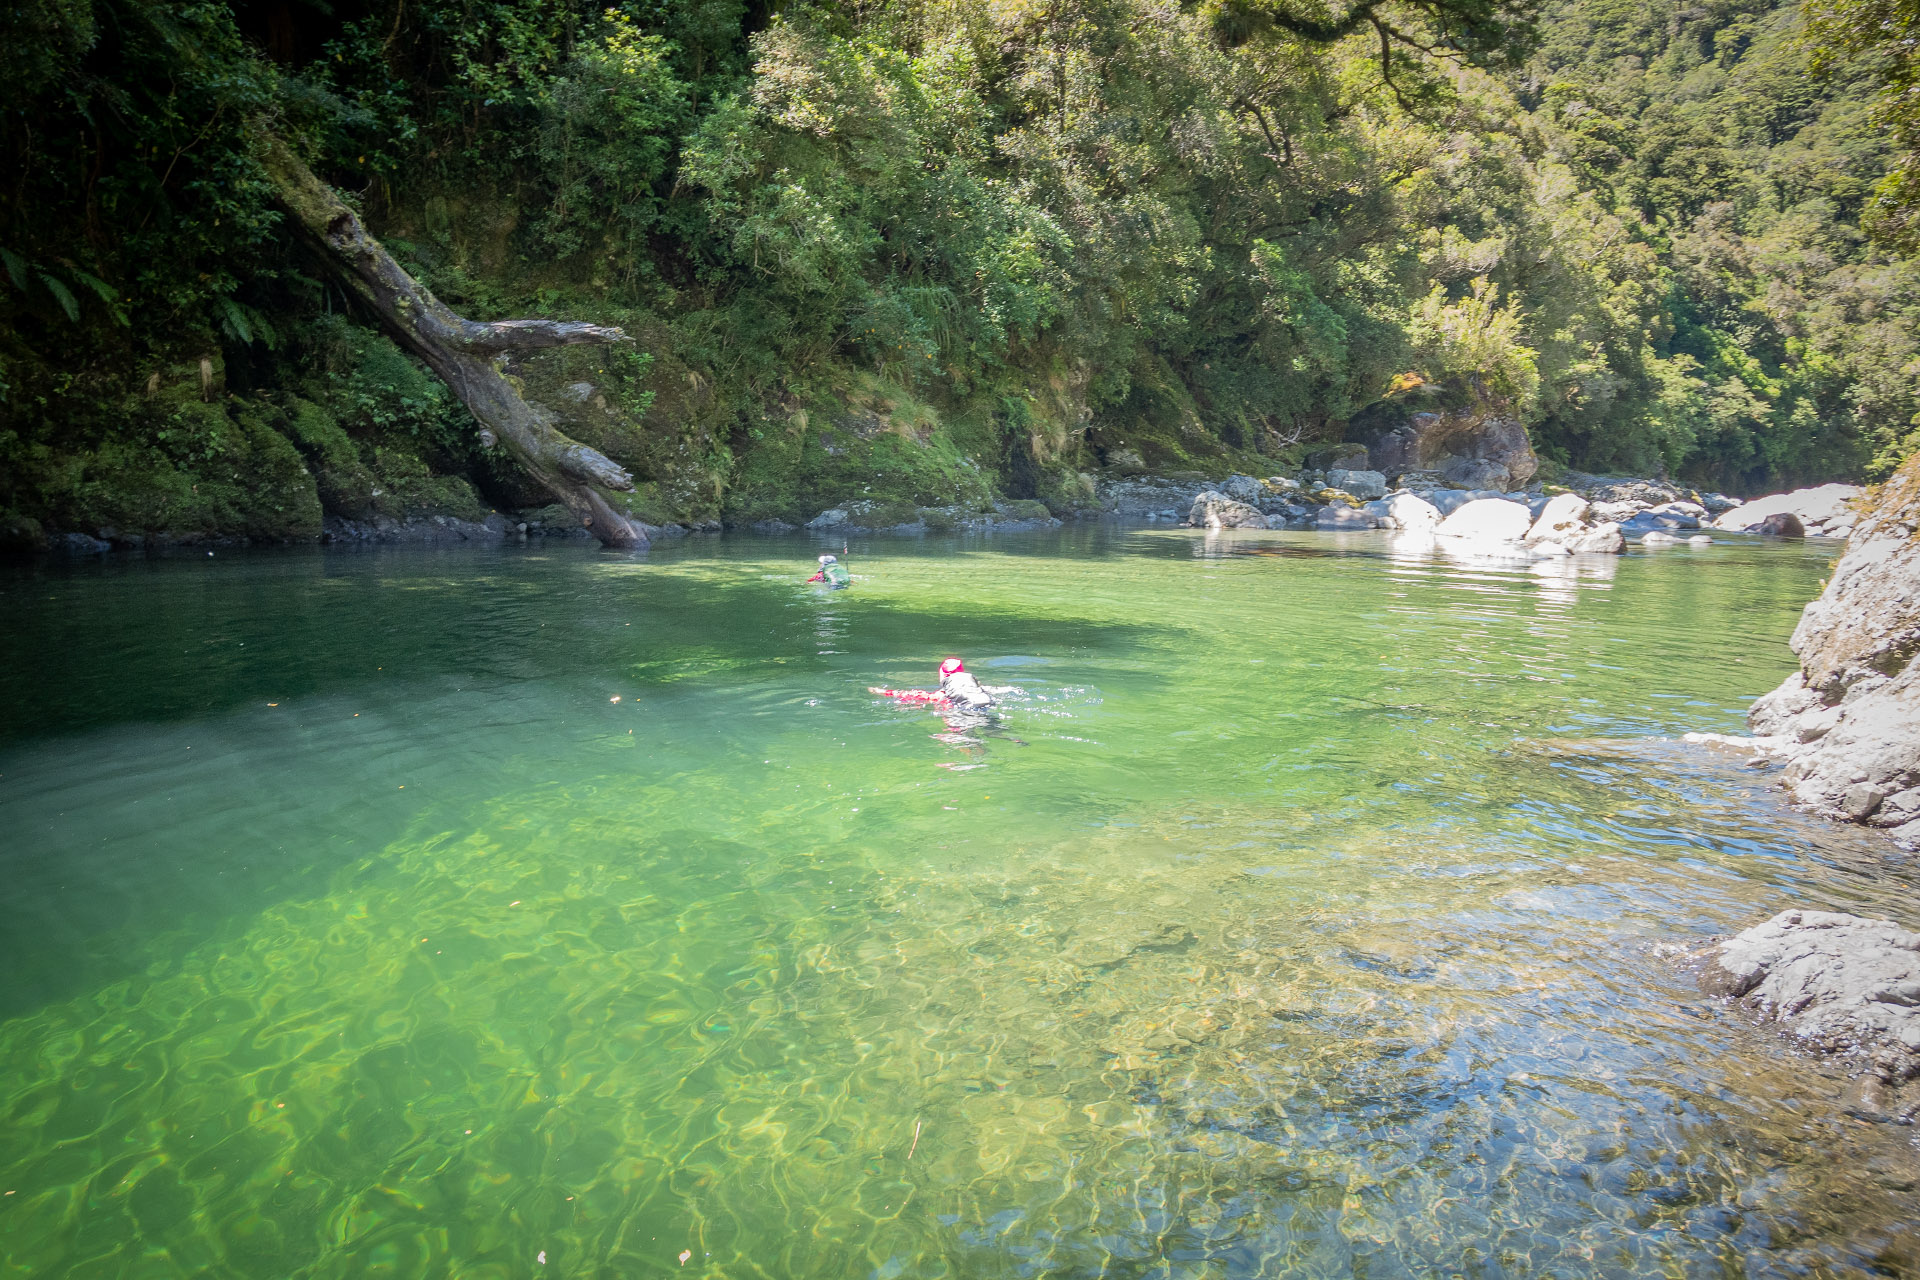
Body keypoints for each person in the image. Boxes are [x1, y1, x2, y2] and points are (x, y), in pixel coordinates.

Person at [869, 657, 995, 710]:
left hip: (959, 712)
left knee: (958, 736)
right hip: (984, 705)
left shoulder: (941, 695)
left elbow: (913, 695)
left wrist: (883, 692)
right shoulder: (977, 689)